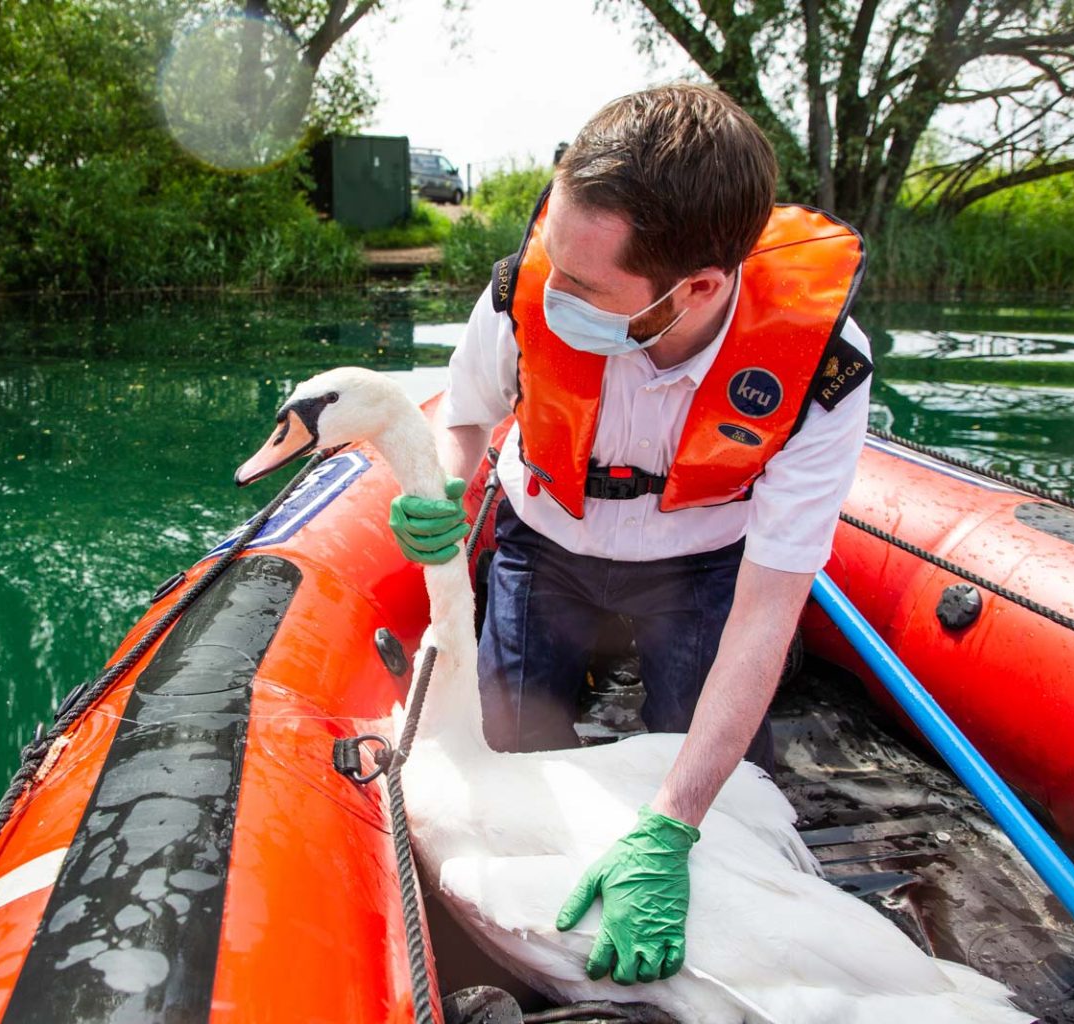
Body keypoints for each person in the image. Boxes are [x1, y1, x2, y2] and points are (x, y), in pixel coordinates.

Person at [387, 84, 873, 987]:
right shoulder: (526, 287)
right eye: (553, 260)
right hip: (545, 546)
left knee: (726, 800)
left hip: (701, 565)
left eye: (584, 287)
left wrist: (672, 824)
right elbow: (468, 416)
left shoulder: (823, 371)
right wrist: (447, 489)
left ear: (698, 288)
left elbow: (767, 614)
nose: (551, 292)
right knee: (502, 754)